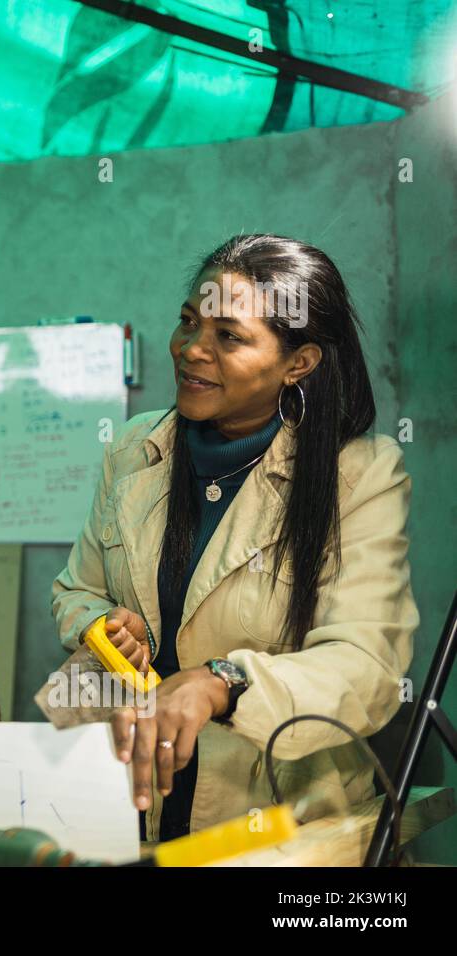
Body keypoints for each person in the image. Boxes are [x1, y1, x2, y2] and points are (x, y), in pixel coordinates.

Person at [52, 234, 417, 841]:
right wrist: (105, 627)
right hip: (130, 801)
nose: (192, 350)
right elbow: (74, 590)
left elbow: (367, 667)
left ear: (297, 363)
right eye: (188, 323)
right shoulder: (134, 450)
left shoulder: (359, 475)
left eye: (229, 336)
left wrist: (223, 681)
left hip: (270, 822)